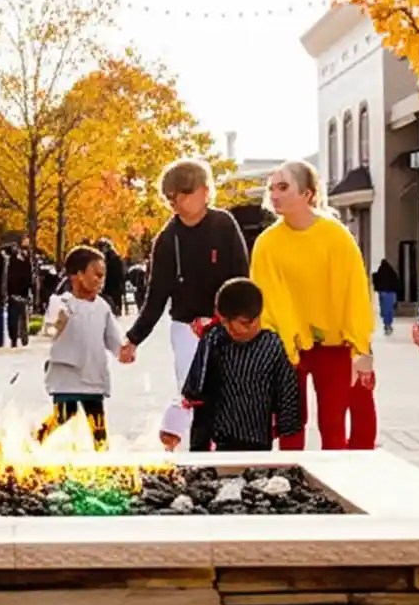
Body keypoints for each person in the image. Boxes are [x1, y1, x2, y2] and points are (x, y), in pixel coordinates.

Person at [118, 158, 250, 450]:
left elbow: (241, 277)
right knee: (196, 392)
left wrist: (227, 319)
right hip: (186, 329)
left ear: (204, 191)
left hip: (225, 325)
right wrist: (133, 338)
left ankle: (213, 445)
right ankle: (199, 454)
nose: (176, 201)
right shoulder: (167, 240)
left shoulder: (224, 225)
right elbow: (156, 297)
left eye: (182, 193)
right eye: (170, 197)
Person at [250, 159, 376, 451]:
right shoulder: (267, 243)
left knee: (332, 425)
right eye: (271, 189)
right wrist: (281, 346)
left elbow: (355, 293)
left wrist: (360, 347)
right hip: (287, 347)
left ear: (307, 194)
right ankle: (289, 488)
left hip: (335, 345)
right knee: (290, 427)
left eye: (283, 187)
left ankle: (342, 488)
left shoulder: (336, 236)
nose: (275, 195)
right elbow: (266, 299)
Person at [181, 278, 301, 452]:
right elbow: (197, 391)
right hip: (221, 437)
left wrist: (286, 425)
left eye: (239, 324)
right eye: (224, 323)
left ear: (255, 319)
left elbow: (286, 390)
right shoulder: (215, 339)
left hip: (259, 437)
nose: (231, 329)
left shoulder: (272, 345)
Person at [35, 246, 123, 451]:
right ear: (77, 276)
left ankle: (103, 458)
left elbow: (113, 337)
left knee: (98, 424)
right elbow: (49, 330)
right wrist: (57, 325)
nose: (100, 280)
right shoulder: (62, 302)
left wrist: (124, 350)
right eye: (97, 275)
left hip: (93, 376)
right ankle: (35, 441)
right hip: (68, 376)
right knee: (63, 415)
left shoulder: (102, 307)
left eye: (103, 276)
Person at [5, 242, 33, 347]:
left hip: (13, 294)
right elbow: (30, 279)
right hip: (23, 294)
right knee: (22, 316)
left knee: (13, 318)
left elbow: (7, 280)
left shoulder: (10, 264)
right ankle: (24, 337)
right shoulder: (26, 263)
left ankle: (14, 339)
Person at [372, 259, 401, 335]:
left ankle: (386, 324)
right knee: (389, 309)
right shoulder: (391, 272)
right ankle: (388, 324)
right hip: (390, 293)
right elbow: (396, 282)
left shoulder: (380, 272)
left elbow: (376, 280)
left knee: (384, 308)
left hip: (383, 293)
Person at [98, 238, 126, 317]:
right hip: (112, 284)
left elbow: (118, 272)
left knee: (112, 303)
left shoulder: (111, 258)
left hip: (112, 284)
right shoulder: (113, 257)